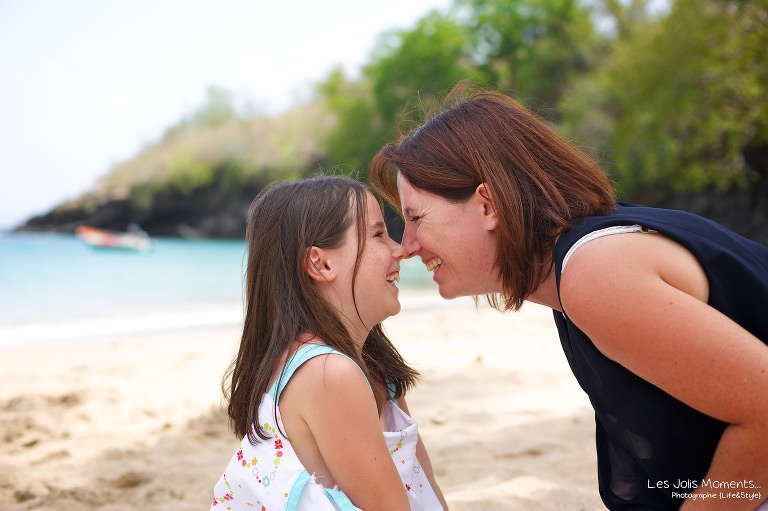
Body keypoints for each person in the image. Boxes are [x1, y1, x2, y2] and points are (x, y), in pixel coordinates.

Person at [369, 82, 768, 511]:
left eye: (415, 218)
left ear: (488, 205)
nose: (406, 244)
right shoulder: (586, 257)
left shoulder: (596, 272)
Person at [210, 175, 447, 510]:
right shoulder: (328, 374)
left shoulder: (371, 365)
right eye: (379, 234)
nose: (400, 249)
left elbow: (427, 487)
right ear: (320, 263)